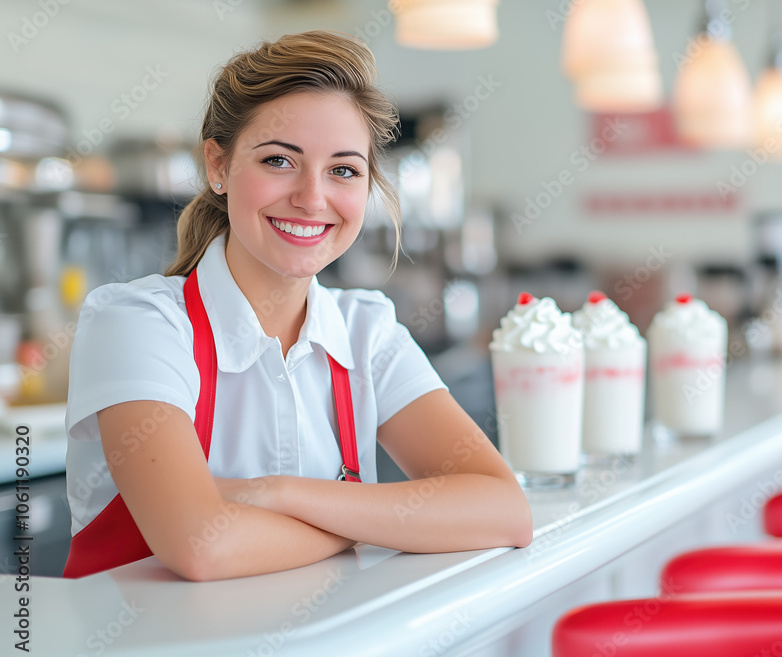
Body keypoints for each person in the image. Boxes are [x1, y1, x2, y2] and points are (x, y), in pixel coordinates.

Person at [62, 30, 532, 581]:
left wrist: (273, 493)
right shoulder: (138, 324)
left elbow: (504, 510)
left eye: (343, 170)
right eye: (279, 161)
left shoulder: (366, 331)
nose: (312, 197)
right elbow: (202, 546)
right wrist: (391, 519)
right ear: (217, 166)